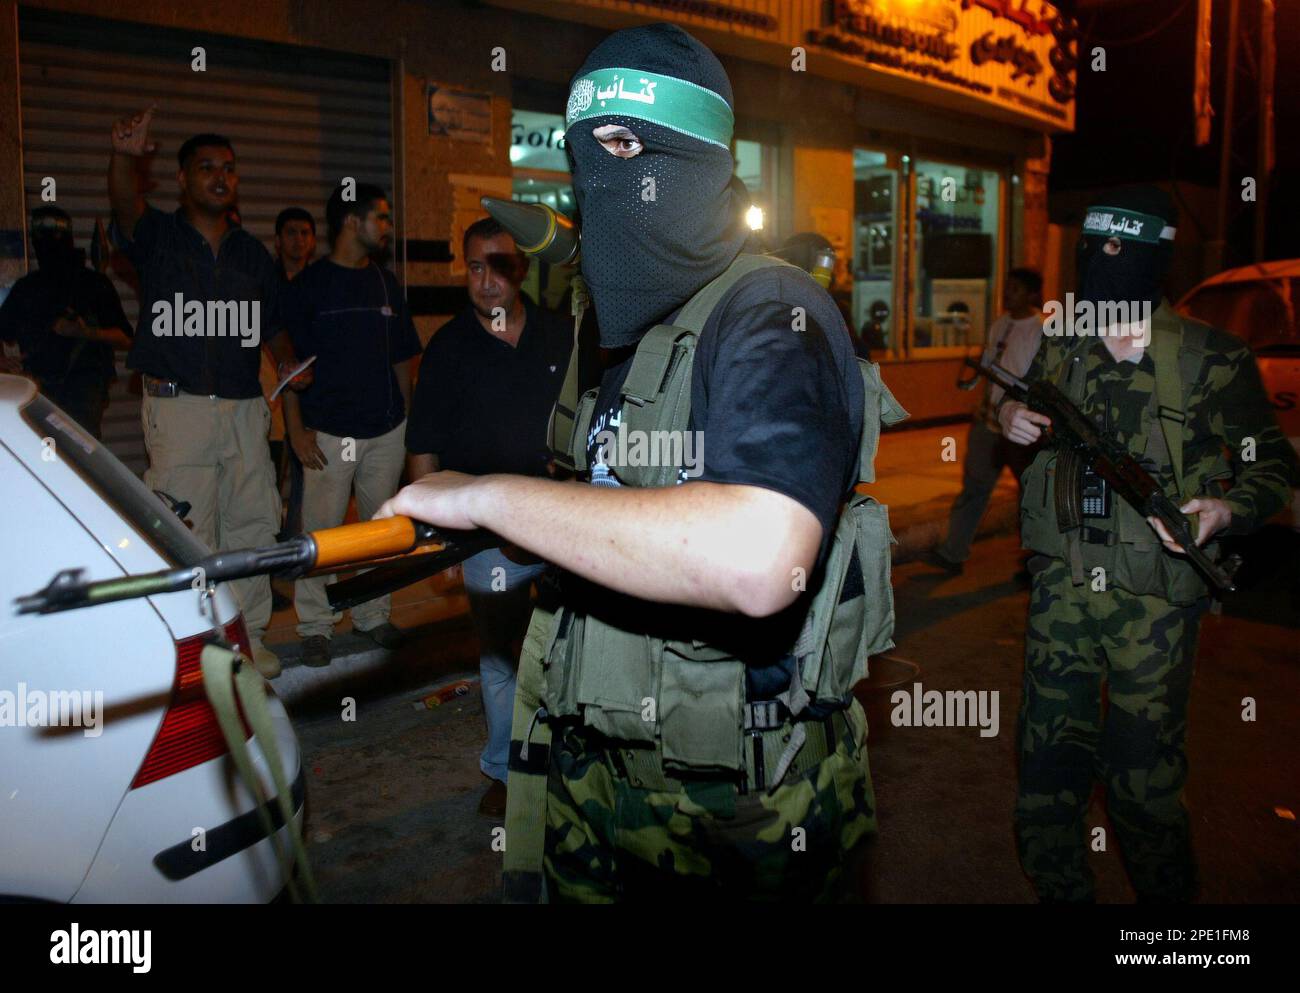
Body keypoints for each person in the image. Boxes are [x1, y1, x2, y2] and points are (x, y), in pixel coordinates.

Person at [380, 23, 901, 902]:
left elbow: (761, 557)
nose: (604, 182)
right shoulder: (631, 321)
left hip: (739, 813)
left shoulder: (774, 314)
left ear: (702, 161)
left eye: (628, 147)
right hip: (603, 780)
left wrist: (489, 497)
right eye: (588, 156)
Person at [999, 187, 1299, 903]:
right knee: (1047, 767)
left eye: (1119, 253)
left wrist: (1223, 511)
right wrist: (1009, 414)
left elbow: (1276, 467)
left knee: (1141, 786)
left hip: (1153, 608)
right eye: (1092, 251)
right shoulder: (1064, 345)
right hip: (1063, 592)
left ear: (1154, 261)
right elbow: (1029, 423)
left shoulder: (1210, 359)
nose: (1102, 267)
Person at [108, 107, 310, 679]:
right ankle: (196, 641)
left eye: (229, 169)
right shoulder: (158, 237)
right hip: (180, 410)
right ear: (181, 179)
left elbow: (270, 323)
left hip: (246, 409)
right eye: (206, 168)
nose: (221, 177)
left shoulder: (251, 253)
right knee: (187, 526)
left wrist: (288, 359)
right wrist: (124, 157)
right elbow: (125, 206)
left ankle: (249, 639)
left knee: (251, 524)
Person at [405, 215, 574, 816]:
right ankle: (507, 772)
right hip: (483, 540)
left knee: (566, 651)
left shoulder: (561, 335)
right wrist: (436, 540)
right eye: (475, 267)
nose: (486, 282)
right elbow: (422, 444)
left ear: (522, 269)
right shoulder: (448, 347)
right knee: (501, 656)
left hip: (561, 526)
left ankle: (569, 765)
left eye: (499, 267)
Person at [281, 184, 421, 668]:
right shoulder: (310, 286)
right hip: (329, 432)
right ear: (350, 222)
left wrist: (406, 420)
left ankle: (371, 615)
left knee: (378, 532)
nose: (386, 227)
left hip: (385, 431)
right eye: (379, 218)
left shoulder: (385, 282)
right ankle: (316, 626)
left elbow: (405, 356)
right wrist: (295, 429)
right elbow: (290, 369)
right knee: (320, 534)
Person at [926, 267, 1044, 574]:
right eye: (1007, 287)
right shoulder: (1000, 324)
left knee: (1032, 496)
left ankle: (1037, 557)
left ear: (1032, 294)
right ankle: (953, 552)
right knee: (974, 488)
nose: (1007, 294)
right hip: (989, 421)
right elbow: (988, 368)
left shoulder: (1043, 329)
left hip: (1020, 429)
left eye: (1016, 289)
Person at [0, 207, 131, 438]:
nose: (49, 245)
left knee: (80, 457)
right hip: (39, 393)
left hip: (83, 393)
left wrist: (85, 332)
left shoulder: (93, 284)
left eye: (54, 236)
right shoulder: (27, 288)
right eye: (42, 236)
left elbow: (125, 337)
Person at [269, 207, 317, 540]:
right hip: (267, 402)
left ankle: (295, 554)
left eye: (304, 233)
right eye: (291, 233)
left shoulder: (319, 286)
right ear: (277, 240)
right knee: (268, 483)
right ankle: (269, 561)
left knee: (306, 485)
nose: (298, 240)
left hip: (306, 399)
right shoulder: (265, 285)